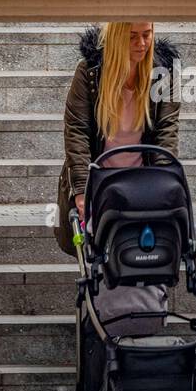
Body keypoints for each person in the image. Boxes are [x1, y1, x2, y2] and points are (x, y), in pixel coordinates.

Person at [54, 20, 180, 259]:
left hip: (142, 184)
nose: (141, 43)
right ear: (116, 37)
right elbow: (76, 131)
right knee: (101, 259)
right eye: (132, 36)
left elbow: (167, 131)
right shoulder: (89, 73)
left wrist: (164, 187)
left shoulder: (164, 74)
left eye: (147, 34)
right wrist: (81, 191)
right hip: (100, 182)